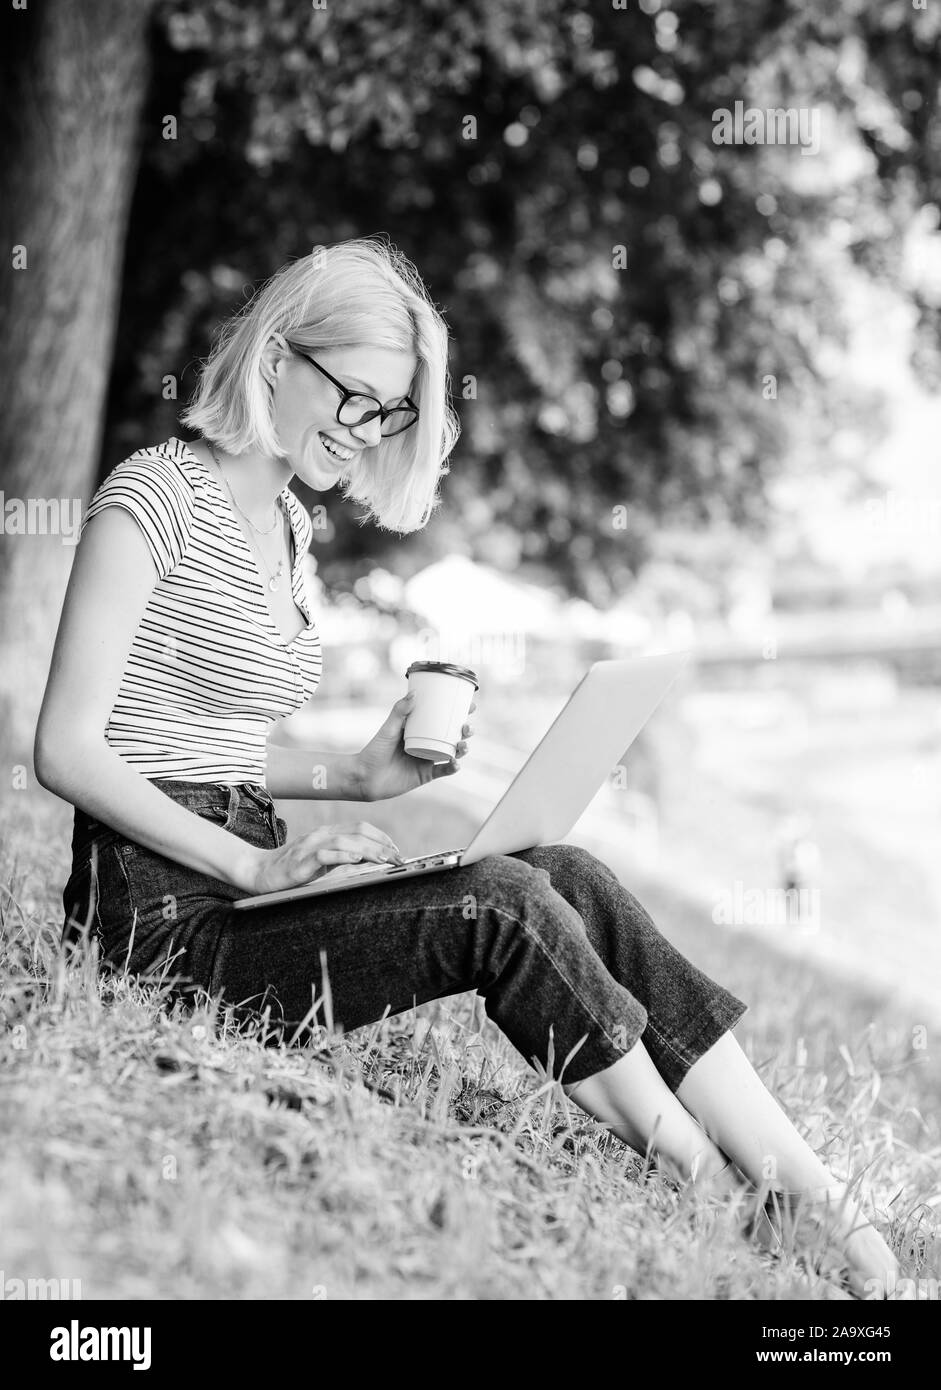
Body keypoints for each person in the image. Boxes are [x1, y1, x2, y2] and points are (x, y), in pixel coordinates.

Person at [34, 238, 901, 1299]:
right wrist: (254, 869)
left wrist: (357, 778)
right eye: (355, 400)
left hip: (233, 878)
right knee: (499, 906)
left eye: (388, 415)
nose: (363, 435)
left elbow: (199, 735)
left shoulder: (287, 529)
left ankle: (804, 1191)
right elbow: (69, 746)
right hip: (155, 922)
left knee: (563, 873)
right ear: (274, 360)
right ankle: (716, 1196)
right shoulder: (150, 499)